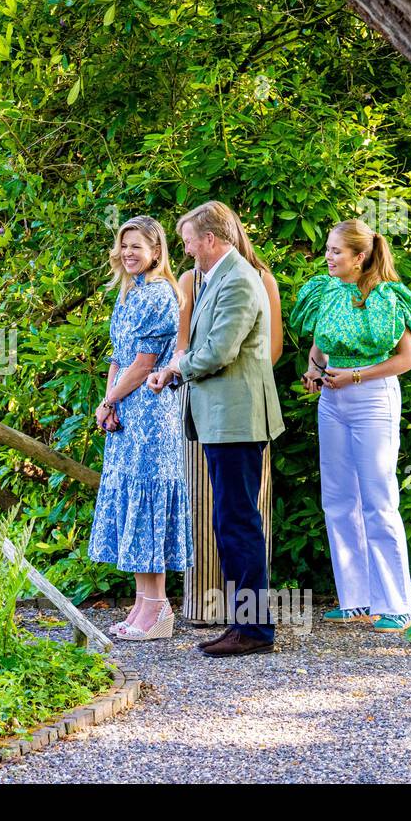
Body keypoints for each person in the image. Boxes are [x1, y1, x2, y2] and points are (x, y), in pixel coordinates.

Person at [149, 200, 284, 657]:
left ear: (210, 239)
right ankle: (243, 624)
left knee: (238, 522)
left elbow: (218, 351)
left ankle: (255, 630)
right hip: (222, 420)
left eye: (188, 242)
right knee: (230, 521)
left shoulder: (240, 280)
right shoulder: (216, 278)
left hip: (238, 420)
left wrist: (173, 370)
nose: (186, 252)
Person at [290, 218, 411, 633]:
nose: (328, 257)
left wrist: (356, 375)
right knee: (337, 497)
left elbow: (408, 358)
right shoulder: (327, 291)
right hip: (331, 399)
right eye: (328, 249)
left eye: (336, 251)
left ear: (360, 256)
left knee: (378, 498)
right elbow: (320, 343)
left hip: (372, 399)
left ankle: (396, 603)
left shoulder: (386, 297)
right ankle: (355, 598)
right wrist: (315, 370)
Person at [88, 215, 192, 640]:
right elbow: (118, 355)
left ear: (156, 251)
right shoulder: (130, 293)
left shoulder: (162, 295)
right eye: (124, 245)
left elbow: (145, 363)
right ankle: (142, 605)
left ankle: (158, 609)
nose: (129, 253)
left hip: (152, 414)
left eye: (138, 246)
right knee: (132, 498)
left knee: (147, 502)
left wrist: (111, 398)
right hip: (126, 411)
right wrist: (108, 401)